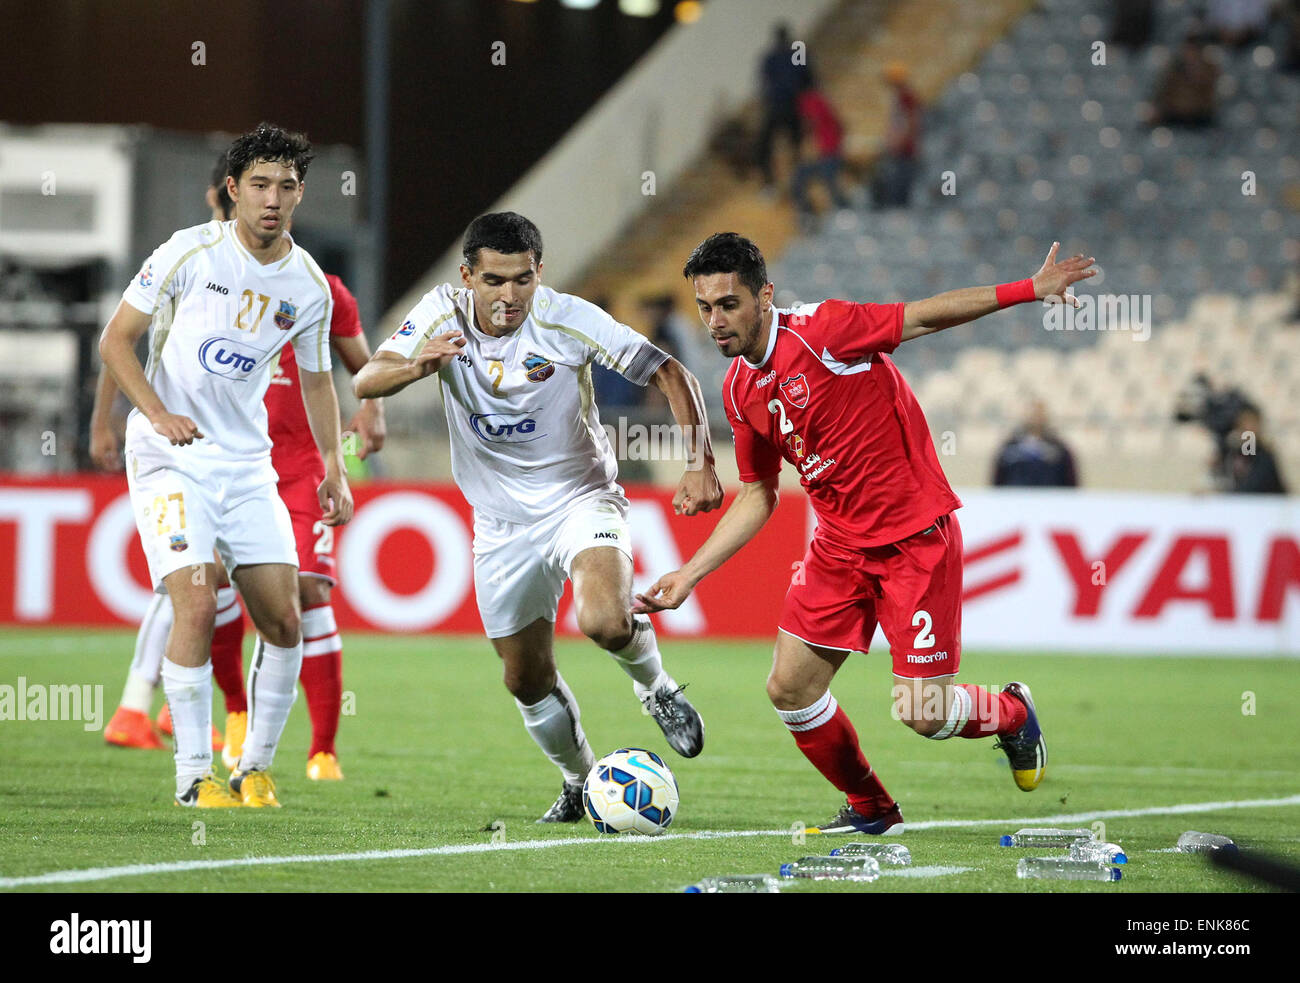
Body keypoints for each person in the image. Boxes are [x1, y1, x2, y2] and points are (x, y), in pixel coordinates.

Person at [635, 232, 1096, 834]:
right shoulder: (740, 390)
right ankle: (875, 809)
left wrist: (1027, 290)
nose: (716, 321)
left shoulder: (826, 331)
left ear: (764, 296)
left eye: (729, 304)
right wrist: (689, 574)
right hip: (838, 548)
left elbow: (924, 317)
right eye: (704, 307)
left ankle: (1011, 714)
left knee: (924, 714)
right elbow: (760, 493)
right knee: (790, 688)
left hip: (914, 541)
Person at [353, 212, 723, 822]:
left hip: (581, 499)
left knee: (605, 620)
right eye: (494, 281)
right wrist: (419, 365)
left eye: (522, 280)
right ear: (467, 275)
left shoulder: (565, 318)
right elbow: (368, 377)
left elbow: (669, 370)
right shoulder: (440, 314)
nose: (509, 296)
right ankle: (580, 782)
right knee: (525, 678)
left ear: (539, 273)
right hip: (499, 523)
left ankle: (657, 689)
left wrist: (699, 463)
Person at [97, 154, 385, 783]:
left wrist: (334, 468)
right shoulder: (187, 251)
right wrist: (156, 413)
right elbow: (114, 341)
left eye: (285, 187)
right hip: (170, 459)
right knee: (196, 606)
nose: (272, 199)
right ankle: (193, 776)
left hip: (249, 465)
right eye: (259, 185)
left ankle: (253, 769)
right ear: (234, 190)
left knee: (284, 620)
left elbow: (318, 383)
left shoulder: (308, 283)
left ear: (301, 194)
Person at [755, 22, 809, 192]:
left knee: (773, 146)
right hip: (788, 106)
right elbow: (806, 78)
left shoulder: (775, 56)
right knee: (794, 146)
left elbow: (765, 83)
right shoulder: (790, 54)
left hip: (784, 107)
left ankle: (783, 183)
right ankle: (790, 182)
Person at [791, 82, 850, 220]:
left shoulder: (810, 101)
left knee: (828, 181)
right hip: (827, 152)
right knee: (806, 178)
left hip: (829, 152)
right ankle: (810, 212)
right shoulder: (818, 101)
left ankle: (843, 212)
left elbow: (811, 122)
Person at [992, 399, 1079, 487]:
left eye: (1039, 413)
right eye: (1032, 413)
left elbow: (1070, 479)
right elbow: (998, 479)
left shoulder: (1058, 449)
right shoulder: (1010, 447)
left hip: (1050, 497)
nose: (1035, 417)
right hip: (1016, 497)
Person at [871, 62, 921, 209]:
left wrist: (899, 142)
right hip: (900, 149)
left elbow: (910, 122)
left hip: (904, 151)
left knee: (899, 192)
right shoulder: (901, 97)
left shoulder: (906, 97)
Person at [1227, 407, 1288, 494]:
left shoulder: (1265, 456)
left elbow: (1252, 486)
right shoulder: (1236, 453)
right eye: (1244, 425)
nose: (1248, 429)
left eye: (1252, 424)